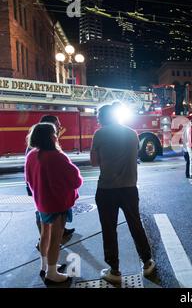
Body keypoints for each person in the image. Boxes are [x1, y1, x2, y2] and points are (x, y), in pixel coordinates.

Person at [91, 104, 155, 285]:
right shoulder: (132, 133)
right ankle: (147, 261)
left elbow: (94, 162)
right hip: (129, 188)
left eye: (98, 116)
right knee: (136, 224)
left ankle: (114, 270)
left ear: (103, 117)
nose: (97, 119)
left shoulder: (100, 134)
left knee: (109, 229)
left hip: (107, 189)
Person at [25, 123, 83, 284]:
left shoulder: (31, 155)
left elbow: (28, 179)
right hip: (58, 203)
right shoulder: (57, 156)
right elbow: (76, 180)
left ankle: (45, 265)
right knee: (56, 239)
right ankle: (52, 273)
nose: (56, 135)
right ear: (51, 137)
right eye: (54, 133)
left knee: (45, 235)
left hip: (42, 202)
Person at [26, 115, 75, 251]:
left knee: (43, 213)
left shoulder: (35, 148)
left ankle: (55, 235)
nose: (59, 127)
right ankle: (46, 242)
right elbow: (74, 178)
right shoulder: (49, 151)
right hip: (46, 191)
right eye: (57, 125)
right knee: (43, 214)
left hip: (38, 188)